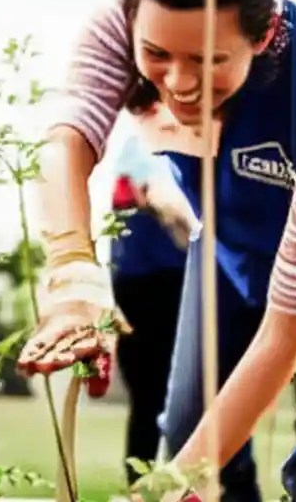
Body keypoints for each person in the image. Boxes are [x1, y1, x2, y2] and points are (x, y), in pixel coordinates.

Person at [15, 0, 294, 501]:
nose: (180, 82)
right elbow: (67, 143)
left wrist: (173, 486)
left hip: (290, 289)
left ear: (265, 33)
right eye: (159, 55)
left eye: (211, 60)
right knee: (191, 435)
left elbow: (284, 333)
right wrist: (74, 280)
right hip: (226, 255)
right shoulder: (123, 27)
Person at [108, 126, 194, 486]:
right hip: (162, 282)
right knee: (175, 394)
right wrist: (200, 235)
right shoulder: (153, 142)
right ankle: (173, 484)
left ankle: (143, 487)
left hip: (132, 280)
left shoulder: (135, 143)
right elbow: (162, 196)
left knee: (149, 399)